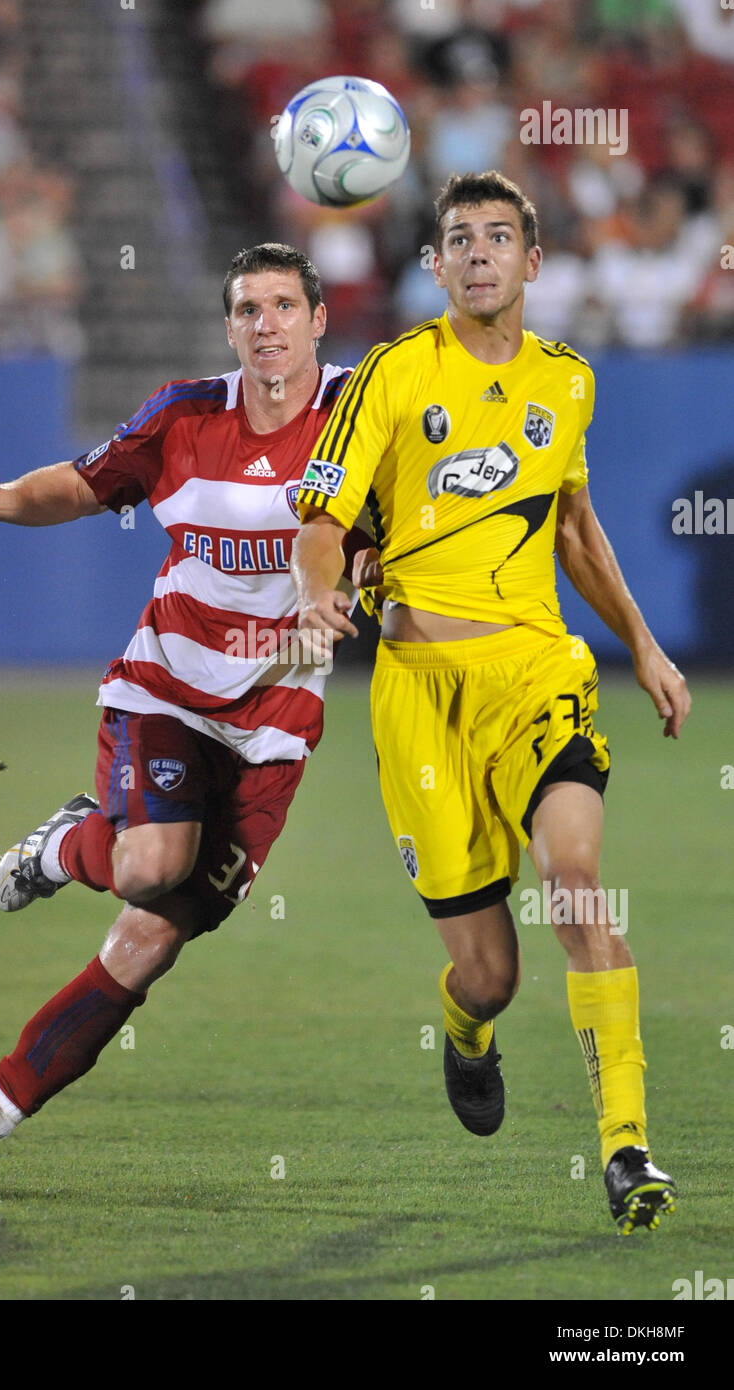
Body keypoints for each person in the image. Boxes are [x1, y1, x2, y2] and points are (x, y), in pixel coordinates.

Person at [0, 242, 370, 1207]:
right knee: (154, 864)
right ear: (230, 325)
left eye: (285, 305)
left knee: (147, 942)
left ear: (320, 320)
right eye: (248, 308)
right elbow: (79, 486)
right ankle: (78, 843)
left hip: (276, 729)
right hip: (168, 691)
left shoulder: (368, 417)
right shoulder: (184, 414)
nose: (266, 325)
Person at [291, 171, 691, 1235]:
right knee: (489, 972)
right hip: (418, 695)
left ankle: (624, 1146)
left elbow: (572, 529)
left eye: (498, 236)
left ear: (532, 261)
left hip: (534, 677)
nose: (477, 253)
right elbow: (323, 515)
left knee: (573, 878)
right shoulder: (388, 372)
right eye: (458, 238)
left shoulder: (567, 382)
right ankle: (465, 1030)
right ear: (432, 266)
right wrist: (318, 591)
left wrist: (644, 649)